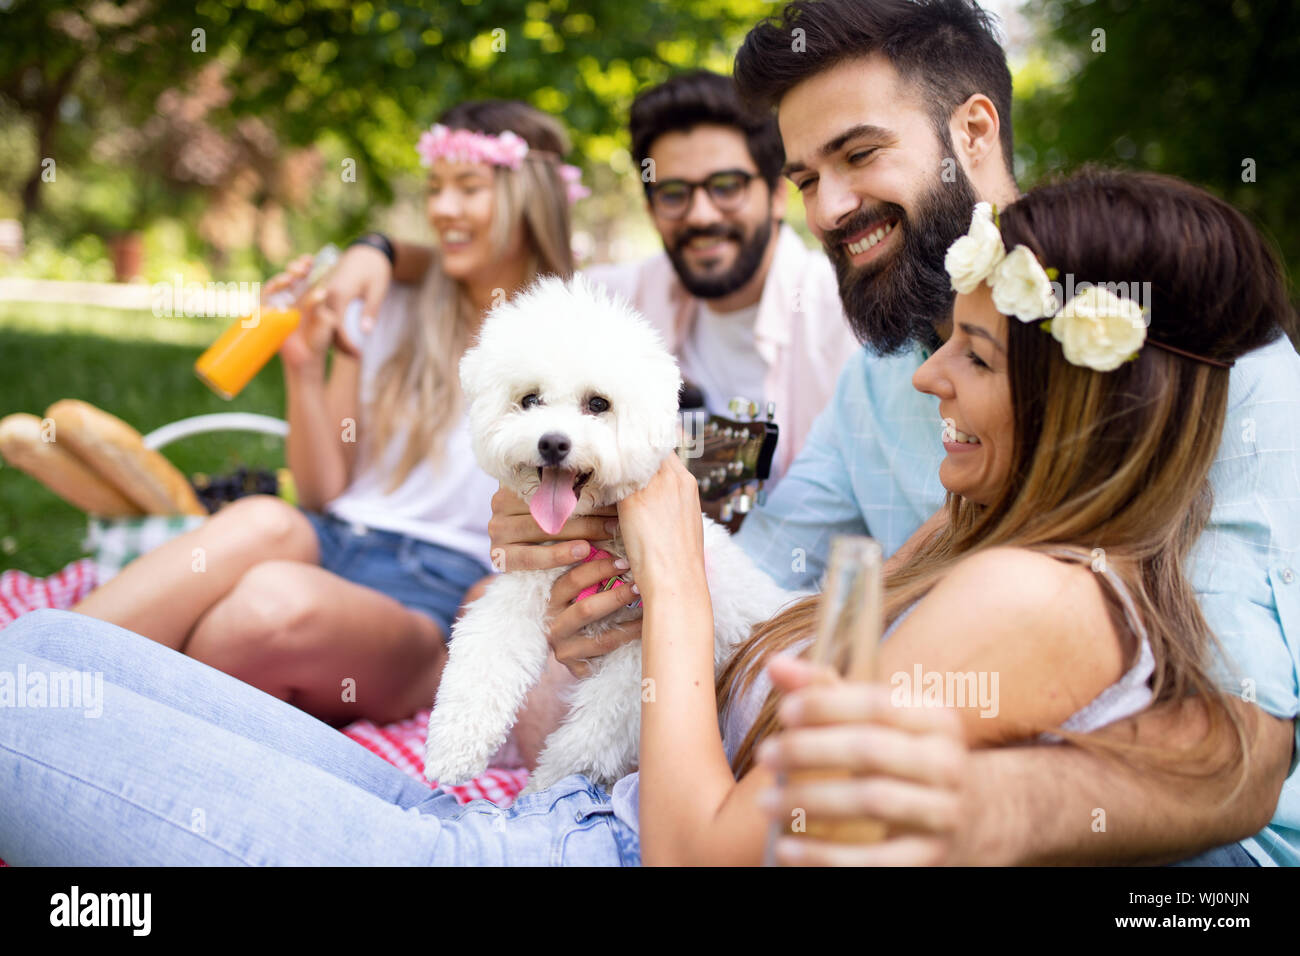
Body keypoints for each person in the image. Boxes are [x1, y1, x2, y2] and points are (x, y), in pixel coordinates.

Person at [0, 168, 1285, 866]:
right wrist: (587, 626)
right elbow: (698, 740)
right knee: (48, 658)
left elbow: (700, 858)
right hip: (524, 818)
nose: (931, 379)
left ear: (1080, 400)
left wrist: (674, 574)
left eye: (975, 356)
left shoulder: (1038, 596)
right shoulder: (965, 551)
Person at [492, 0, 1300, 866]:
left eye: (861, 153)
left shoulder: (1194, 358)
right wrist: (599, 545)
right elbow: (752, 599)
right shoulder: (879, 378)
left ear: (976, 132)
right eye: (804, 178)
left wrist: (958, 804)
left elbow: (1239, 753)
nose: (830, 209)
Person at [70, 100, 580, 726]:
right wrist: (303, 367)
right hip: (332, 537)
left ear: (533, 198)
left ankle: (96, 719)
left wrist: (379, 249)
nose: (443, 209)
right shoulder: (390, 302)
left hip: (435, 593)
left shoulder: (575, 336)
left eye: (469, 188)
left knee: (266, 606)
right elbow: (321, 489)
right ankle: (31, 672)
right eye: (436, 188)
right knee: (260, 519)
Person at [326, 72, 857, 483]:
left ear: (774, 193)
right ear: (650, 209)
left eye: (725, 186)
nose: (700, 215)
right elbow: (513, 271)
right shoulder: (616, 300)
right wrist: (381, 251)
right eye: (672, 192)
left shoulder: (840, 316)